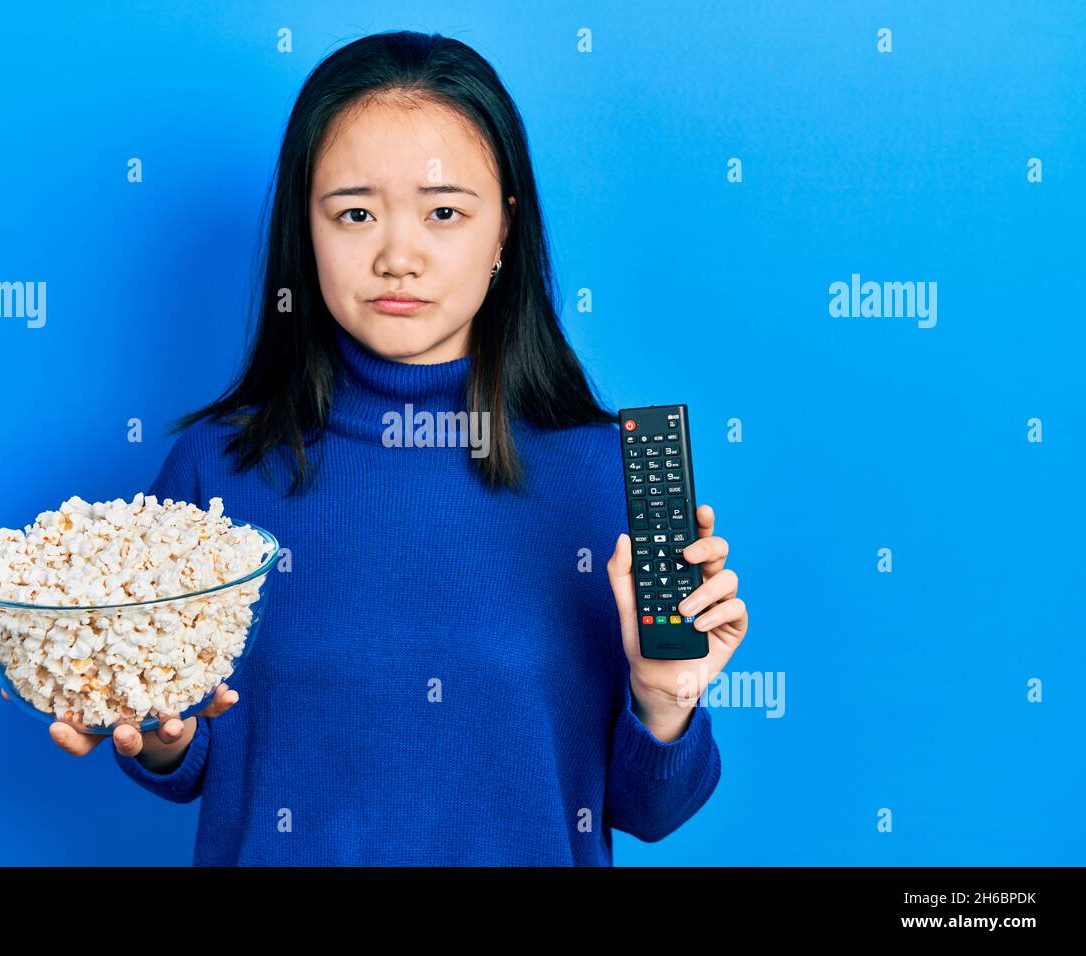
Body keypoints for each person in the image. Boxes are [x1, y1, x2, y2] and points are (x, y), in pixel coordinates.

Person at [42, 29, 748, 865]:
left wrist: (665, 696)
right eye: (354, 213)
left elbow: (648, 810)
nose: (397, 256)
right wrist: (157, 736)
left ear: (504, 235)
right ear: (305, 229)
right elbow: (189, 755)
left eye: (444, 212)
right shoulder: (215, 470)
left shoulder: (603, 476)